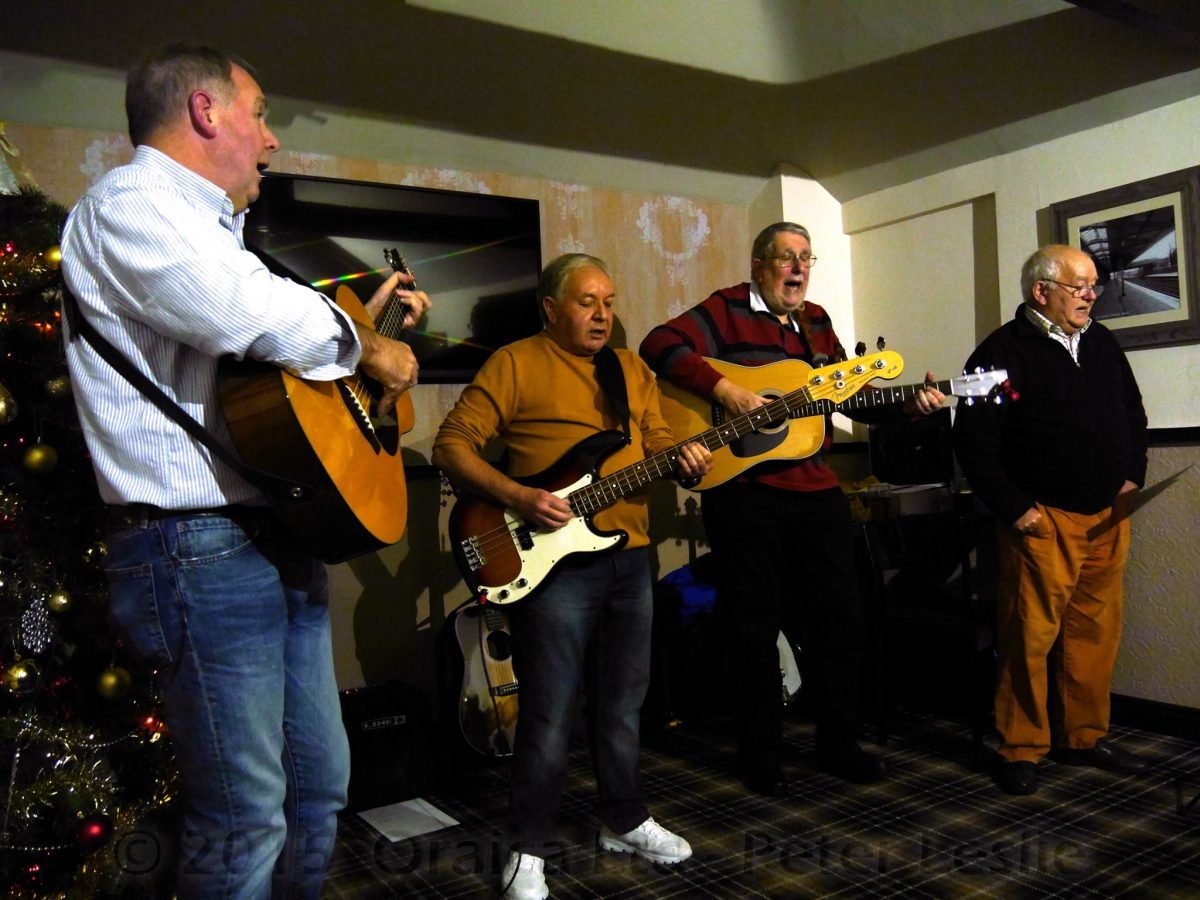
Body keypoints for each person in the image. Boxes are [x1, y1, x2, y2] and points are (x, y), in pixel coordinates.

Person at [60, 44, 430, 897]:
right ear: (204, 111)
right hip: (195, 546)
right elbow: (247, 315)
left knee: (317, 788)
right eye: (260, 114)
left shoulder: (212, 230)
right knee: (246, 815)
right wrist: (365, 344)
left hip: (270, 534)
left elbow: (268, 364)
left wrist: (354, 332)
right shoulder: (133, 203)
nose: (269, 140)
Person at [432, 253, 710, 900]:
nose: (602, 315)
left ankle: (625, 816)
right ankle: (528, 848)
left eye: (609, 302)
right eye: (587, 302)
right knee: (551, 714)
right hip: (551, 563)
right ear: (551, 308)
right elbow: (452, 444)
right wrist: (521, 497)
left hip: (628, 557)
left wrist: (686, 461)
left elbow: (660, 439)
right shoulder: (515, 362)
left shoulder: (631, 369)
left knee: (622, 704)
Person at [639, 222, 945, 795]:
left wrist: (909, 406)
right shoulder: (725, 310)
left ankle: (838, 742)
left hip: (816, 493)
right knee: (751, 628)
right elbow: (658, 344)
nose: (798, 268)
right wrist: (726, 392)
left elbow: (848, 396)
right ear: (759, 265)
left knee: (839, 623)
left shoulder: (817, 322)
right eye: (786, 258)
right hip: (744, 492)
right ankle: (761, 754)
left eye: (806, 258)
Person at [953, 244, 1148, 796]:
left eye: (1093, 285)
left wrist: (1134, 470)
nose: (1092, 294)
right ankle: (1021, 746)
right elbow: (972, 441)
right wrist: (1017, 510)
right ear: (1042, 291)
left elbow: (1133, 412)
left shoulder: (1103, 343)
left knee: (1095, 636)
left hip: (1108, 517)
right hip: (1043, 522)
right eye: (1079, 286)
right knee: (1028, 639)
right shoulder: (997, 352)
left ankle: (1083, 736)